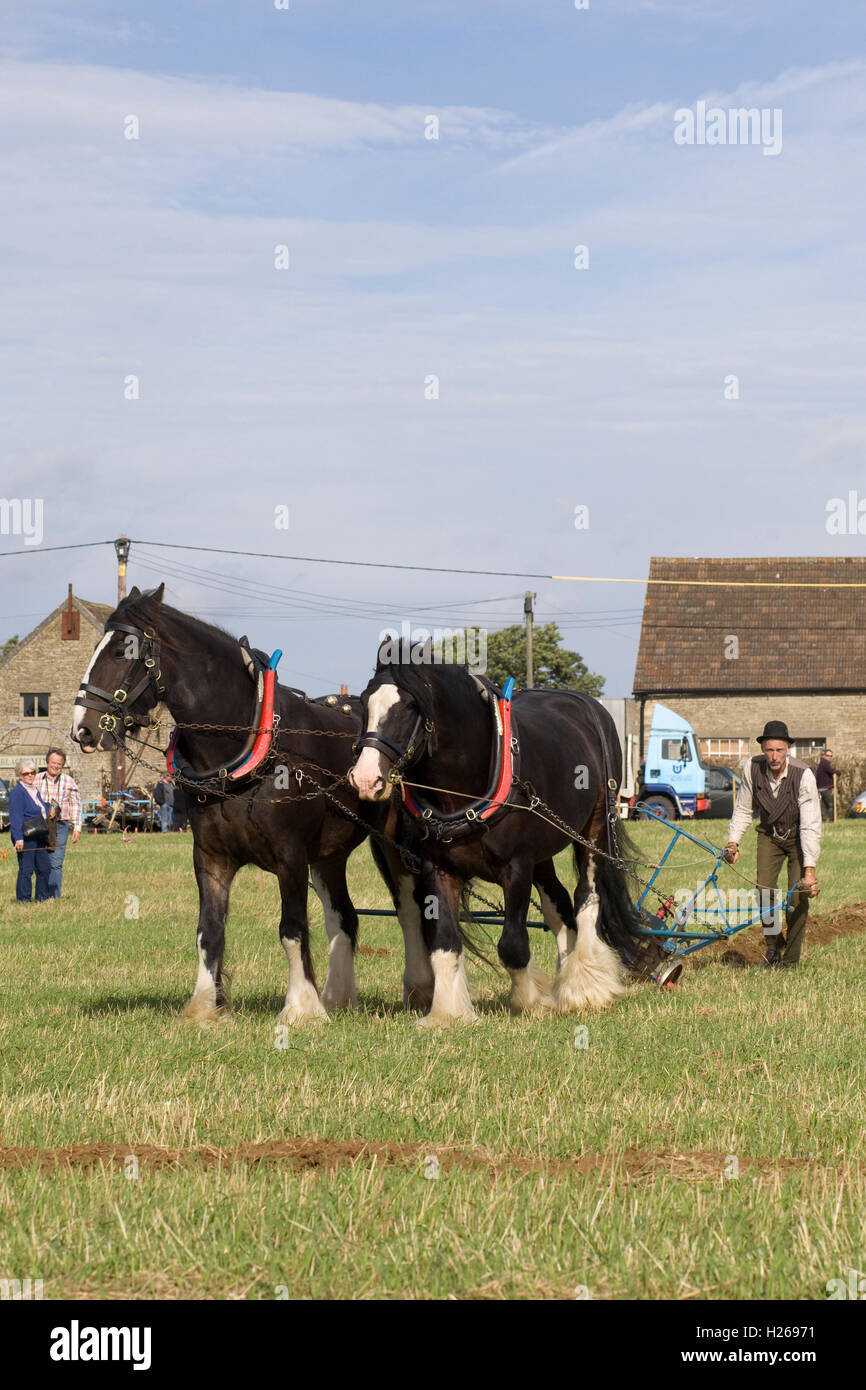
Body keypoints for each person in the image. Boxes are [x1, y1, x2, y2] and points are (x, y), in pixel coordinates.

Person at [724, 721, 821, 969]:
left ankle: (790, 960)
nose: (774, 756)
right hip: (768, 835)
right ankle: (773, 947)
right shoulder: (752, 768)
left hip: (798, 836)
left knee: (797, 897)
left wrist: (809, 870)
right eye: (769, 750)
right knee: (764, 891)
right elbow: (744, 809)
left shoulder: (803, 775)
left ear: (788, 748)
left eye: (779, 750)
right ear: (763, 749)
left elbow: (810, 823)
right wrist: (733, 842)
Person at [36, 748, 82, 898]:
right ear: (47, 762)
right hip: (39, 825)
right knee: (41, 861)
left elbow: (76, 804)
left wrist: (77, 827)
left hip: (60, 826)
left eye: (59, 764)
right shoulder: (36, 779)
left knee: (56, 861)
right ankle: (41, 896)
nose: (56, 766)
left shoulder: (69, 781)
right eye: (53, 762)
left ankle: (54, 896)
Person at [9, 759, 52, 903]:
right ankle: (23, 899)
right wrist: (18, 838)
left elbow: (38, 808)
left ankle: (42, 897)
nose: (29, 775)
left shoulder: (34, 789)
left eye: (32, 772)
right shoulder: (18, 792)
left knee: (44, 867)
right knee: (26, 870)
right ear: (19, 775)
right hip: (26, 837)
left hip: (39, 835)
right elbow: (16, 816)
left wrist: (48, 808)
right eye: (25, 773)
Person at [813, 748, 839, 823]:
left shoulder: (821, 763)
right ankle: (831, 820)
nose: (829, 757)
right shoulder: (824, 763)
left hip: (820, 788)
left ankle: (823, 820)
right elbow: (831, 771)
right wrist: (838, 773)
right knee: (830, 804)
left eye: (831, 756)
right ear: (824, 755)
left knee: (823, 805)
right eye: (828, 755)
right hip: (826, 788)